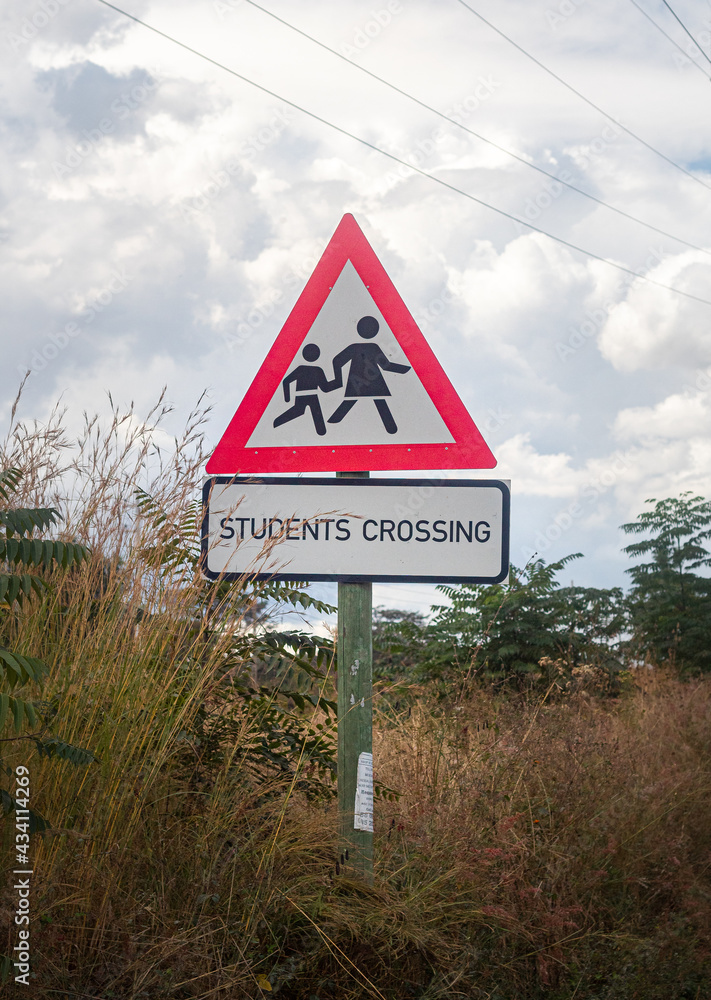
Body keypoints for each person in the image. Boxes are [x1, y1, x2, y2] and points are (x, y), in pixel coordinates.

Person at [327, 316, 410, 434]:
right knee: (379, 402)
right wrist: (404, 369)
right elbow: (386, 366)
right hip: (373, 381)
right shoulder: (372, 347)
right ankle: (392, 429)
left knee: (354, 401)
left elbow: (337, 361)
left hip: (358, 381)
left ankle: (333, 422)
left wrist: (338, 379)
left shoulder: (356, 347)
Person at [272, 344, 335, 436]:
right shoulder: (316, 370)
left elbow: (286, 382)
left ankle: (276, 423)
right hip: (308, 396)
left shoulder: (304, 369)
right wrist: (337, 383)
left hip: (307, 396)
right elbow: (326, 388)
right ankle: (276, 423)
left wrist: (287, 398)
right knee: (300, 412)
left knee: (316, 419)